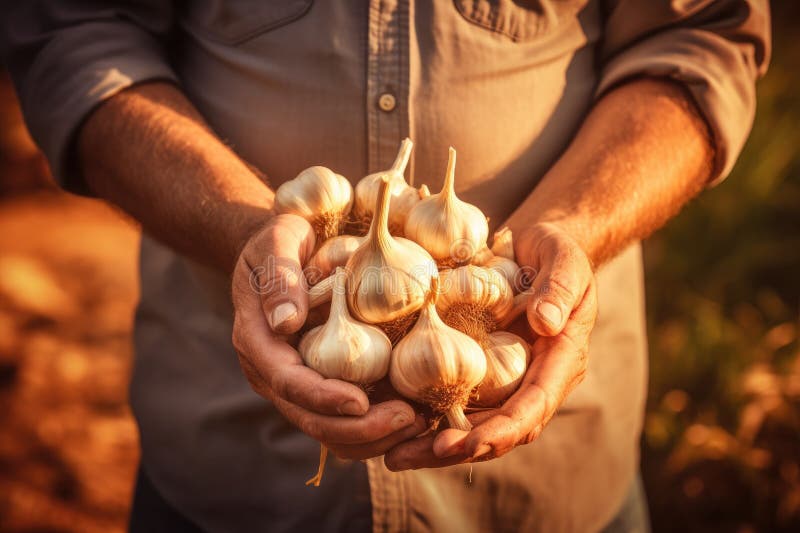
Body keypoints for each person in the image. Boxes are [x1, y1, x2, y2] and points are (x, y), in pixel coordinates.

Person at [0, 1, 770, 532]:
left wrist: (572, 226)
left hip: (557, 493)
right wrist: (250, 233)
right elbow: (71, 31)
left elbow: (703, 34)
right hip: (228, 480)